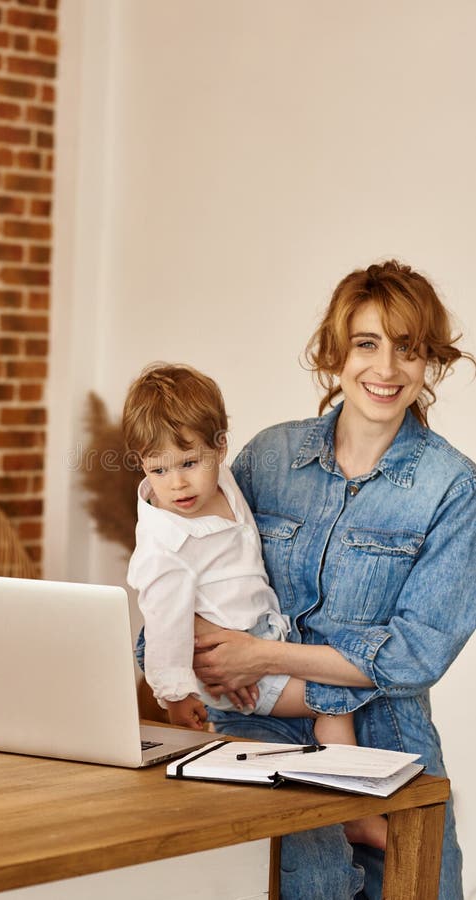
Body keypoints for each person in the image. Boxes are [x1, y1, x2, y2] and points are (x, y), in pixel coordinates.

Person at [188, 260, 476, 899]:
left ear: (427, 360)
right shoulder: (269, 457)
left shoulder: (454, 489)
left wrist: (259, 654)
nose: (387, 369)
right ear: (335, 354)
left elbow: (412, 658)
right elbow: (197, 563)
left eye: (407, 348)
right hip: (255, 732)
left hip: (388, 750)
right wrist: (182, 661)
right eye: (367, 343)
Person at [123, 363, 387, 850]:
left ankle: (336, 796)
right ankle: (357, 810)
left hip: (263, 646)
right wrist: (176, 696)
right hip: (234, 673)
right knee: (337, 697)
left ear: (221, 447)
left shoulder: (225, 484)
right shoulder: (165, 543)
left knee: (325, 705)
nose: (177, 484)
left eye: (189, 463)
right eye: (158, 470)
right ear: (142, 465)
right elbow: (162, 624)